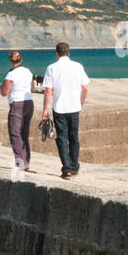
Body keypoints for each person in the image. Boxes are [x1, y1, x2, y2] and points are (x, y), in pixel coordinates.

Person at [41, 42, 90, 179]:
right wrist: (81, 102)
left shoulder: (51, 68)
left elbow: (48, 90)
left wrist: (45, 110)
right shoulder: (78, 66)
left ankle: (67, 168)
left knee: (61, 138)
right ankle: (74, 166)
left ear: (57, 54)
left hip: (59, 108)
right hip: (74, 107)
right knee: (74, 138)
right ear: (68, 53)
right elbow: (85, 87)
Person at [0, 50, 34, 170]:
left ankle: (20, 162)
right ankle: (26, 160)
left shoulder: (11, 75)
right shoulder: (28, 71)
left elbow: (4, 92)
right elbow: (32, 87)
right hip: (29, 103)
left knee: (14, 133)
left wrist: (1, 86)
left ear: (10, 60)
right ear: (21, 59)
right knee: (24, 133)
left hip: (17, 103)